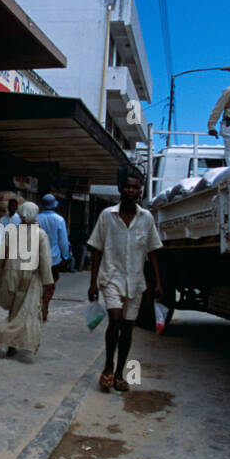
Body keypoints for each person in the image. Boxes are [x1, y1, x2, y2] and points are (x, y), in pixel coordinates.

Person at [86, 165, 163, 392]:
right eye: (127, 186)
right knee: (115, 319)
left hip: (135, 281)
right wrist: (93, 283)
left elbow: (154, 251)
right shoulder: (106, 216)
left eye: (135, 187)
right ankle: (108, 366)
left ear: (140, 191)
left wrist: (158, 282)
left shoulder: (146, 218)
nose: (130, 190)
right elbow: (96, 249)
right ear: (120, 188)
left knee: (128, 327)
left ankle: (120, 373)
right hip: (111, 277)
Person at [0, 201, 54, 357]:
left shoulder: (12, 233)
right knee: (28, 310)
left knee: (14, 310)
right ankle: (15, 339)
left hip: (11, 276)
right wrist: (47, 282)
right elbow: (45, 260)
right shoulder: (41, 234)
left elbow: (0, 257)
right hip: (31, 277)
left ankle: (11, 342)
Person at [36, 193, 70, 321]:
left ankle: (38, 303)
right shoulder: (59, 220)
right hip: (54, 258)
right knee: (50, 284)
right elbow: (63, 241)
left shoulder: (36, 218)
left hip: (37, 257)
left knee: (37, 283)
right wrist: (65, 256)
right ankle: (45, 303)